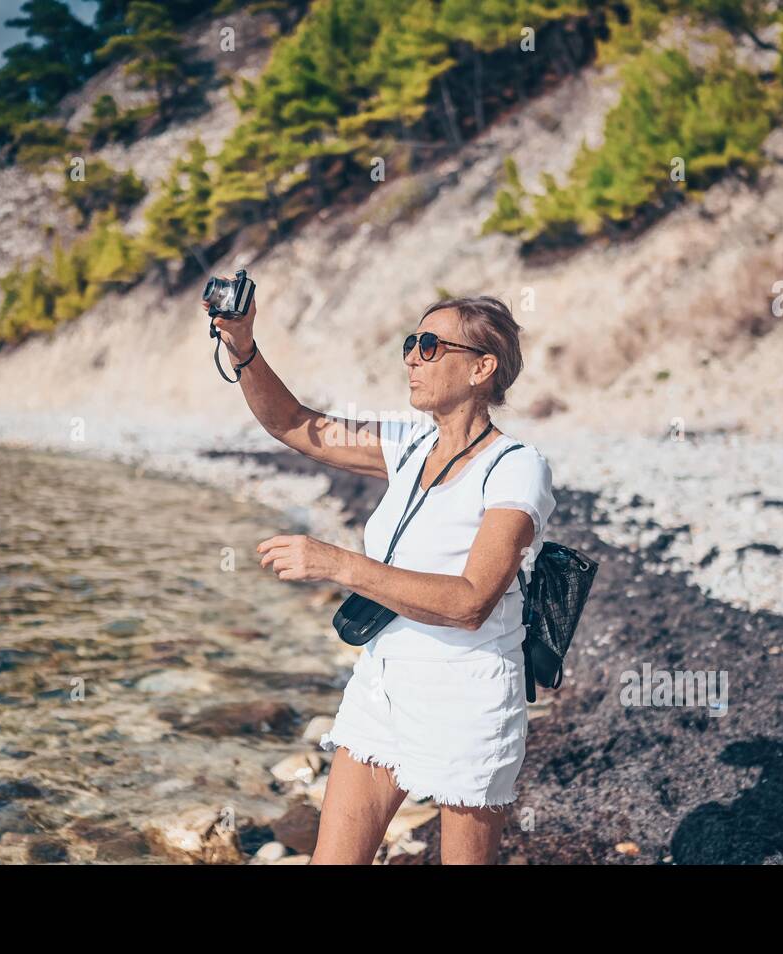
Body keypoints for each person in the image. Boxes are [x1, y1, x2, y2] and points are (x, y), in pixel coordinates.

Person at [208, 284, 556, 864]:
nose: (411, 358)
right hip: (383, 685)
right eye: (409, 344)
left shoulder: (517, 469)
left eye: (428, 345)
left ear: (482, 368)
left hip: (466, 697)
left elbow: (471, 603)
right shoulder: (410, 444)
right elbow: (296, 424)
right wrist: (242, 346)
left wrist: (338, 563)